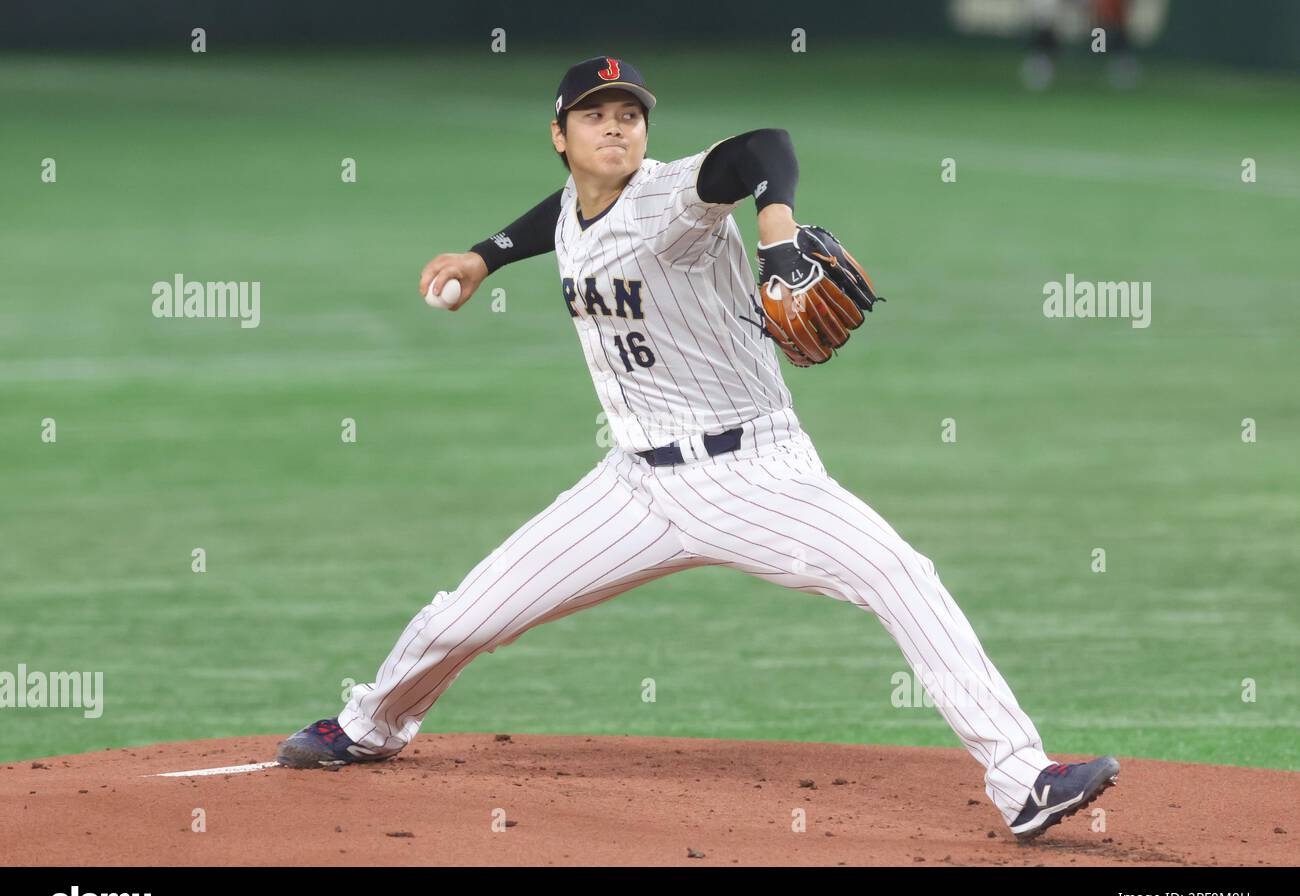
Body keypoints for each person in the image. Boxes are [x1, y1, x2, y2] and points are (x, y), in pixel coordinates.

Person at [276, 55, 1119, 841]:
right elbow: (562, 221)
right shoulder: (578, 204)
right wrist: (484, 256)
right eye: (594, 115)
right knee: (466, 615)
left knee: (900, 572)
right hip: (633, 487)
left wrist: (777, 228)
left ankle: (1022, 780)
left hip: (754, 473)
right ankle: (367, 727)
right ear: (560, 137)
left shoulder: (676, 195)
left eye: (630, 115)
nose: (616, 128)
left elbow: (763, 147)